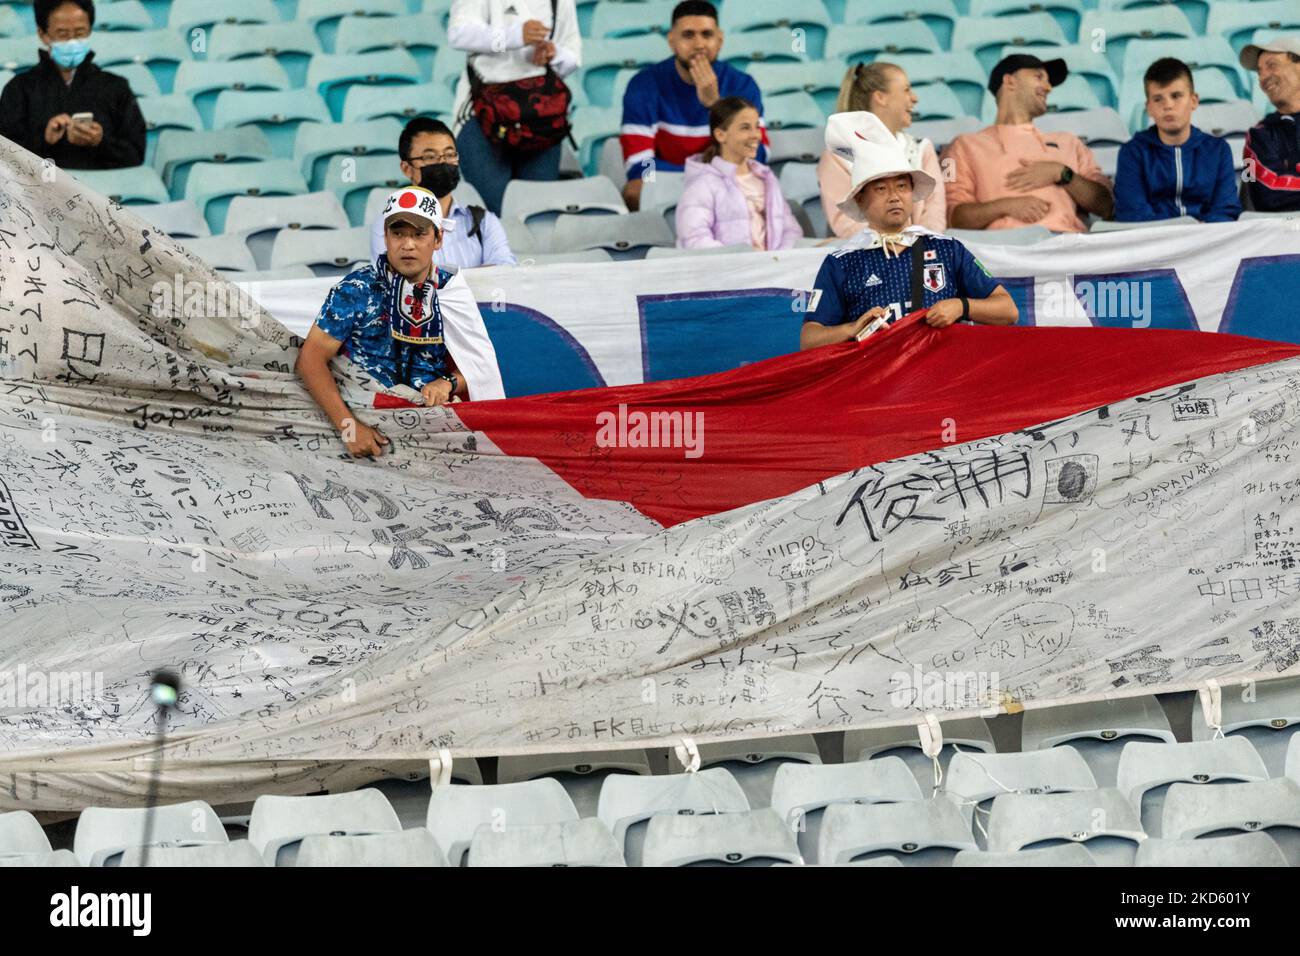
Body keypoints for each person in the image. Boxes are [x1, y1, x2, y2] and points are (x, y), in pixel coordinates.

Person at [297, 187, 504, 458]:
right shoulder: (356, 288)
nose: (408, 244)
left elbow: (480, 368)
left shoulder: (451, 291)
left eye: (419, 234)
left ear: (438, 238)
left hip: (433, 433)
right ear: (385, 237)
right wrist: (348, 427)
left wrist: (447, 384)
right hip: (366, 427)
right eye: (398, 233)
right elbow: (310, 359)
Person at [801, 113, 1017, 351]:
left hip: (943, 376)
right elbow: (809, 339)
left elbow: (1008, 310)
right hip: (877, 382)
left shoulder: (947, 248)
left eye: (902, 186)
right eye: (881, 188)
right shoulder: (842, 262)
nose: (894, 196)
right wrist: (852, 329)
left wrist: (961, 306)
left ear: (912, 192)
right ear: (860, 199)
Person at [619, 0, 767, 211]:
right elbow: (641, 166)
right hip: (668, 182)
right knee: (635, 190)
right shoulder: (643, 85)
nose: (699, 45)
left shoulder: (743, 85)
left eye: (707, 35)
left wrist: (717, 107)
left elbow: (756, 157)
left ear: (720, 39)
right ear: (671, 40)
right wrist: (696, 177)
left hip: (726, 181)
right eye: (688, 35)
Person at [942, 53, 1113, 232]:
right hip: (1004, 250)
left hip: (1067, 247)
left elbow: (1106, 205)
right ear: (1009, 81)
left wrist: (1062, 173)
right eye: (1039, 77)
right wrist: (1004, 206)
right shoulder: (963, 146)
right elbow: (952, 218)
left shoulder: (1069, 142)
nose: (1048, 88)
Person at [448, 0, 582, 216]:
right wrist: (514, 36)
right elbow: (458, 33)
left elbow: (573, 56)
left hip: (540, 116)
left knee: (538, 216)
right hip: (482, 112)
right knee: (497, 215)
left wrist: (553, 54)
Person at [0, 0, 145, 170]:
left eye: (80, 32)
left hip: (102, 192)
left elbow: (136, 153)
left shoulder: (116, 87)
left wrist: (101, 142)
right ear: (43, 34)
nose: (72, 41)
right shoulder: (19, 89)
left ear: (90, 30)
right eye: (62, 34)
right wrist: (44, 139)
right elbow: (5, 158)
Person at [368, 117, 516, 269]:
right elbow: (394, 280)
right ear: (407, 168)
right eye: (430, 157)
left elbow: (505, 272)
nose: (442, 162)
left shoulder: (483, 222)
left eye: (450, 155)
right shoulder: (389, 226)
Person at [819, 63, 946, 237]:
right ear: (880, 97)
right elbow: (845, 221)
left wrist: (921, 245)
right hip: (868, 256)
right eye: (907, 90)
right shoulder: (837, 156)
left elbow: (935, 211)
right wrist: (891, 244)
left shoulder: (922, 147)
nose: (914, 98)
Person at [1114, 58, 1240, 223]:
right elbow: (1132, 213)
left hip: (1208, 240)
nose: (1168, 106)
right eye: (1158, 99)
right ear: (1149, 107)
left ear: (1193, 101)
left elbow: (1226, 209)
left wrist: (1200, 231)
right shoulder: (1132, 153)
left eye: (1176, 96)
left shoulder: (1218, 150)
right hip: (1155, 243)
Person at [675, 97, 800, 250]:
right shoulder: (703, 185)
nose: (756, 135)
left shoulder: (766, 178)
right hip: (730, 271)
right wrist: (744, 262)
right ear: (720, 135)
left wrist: (778, 261)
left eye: (757, 126)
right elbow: (695, 240)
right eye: (745, 128)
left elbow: (790, 230)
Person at [1240, 36, 1300, 213]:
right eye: (1259, 72)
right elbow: (1268, 193)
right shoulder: (1257, 136)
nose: (1263, 77)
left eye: (1272, 65)